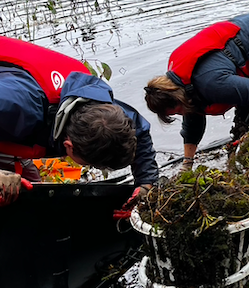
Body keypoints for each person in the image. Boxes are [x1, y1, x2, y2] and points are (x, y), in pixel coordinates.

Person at [0, 36, 158, 207]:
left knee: (31, 195)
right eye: (88, 163)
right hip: (11, 103)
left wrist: (146, 184)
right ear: (69, 145)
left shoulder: (98, 108)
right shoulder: (13, 106)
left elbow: (139, 131)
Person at [144, 12, 249, 171]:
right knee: (244, 125)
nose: (181, 114)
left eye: (177, 112)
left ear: (177, 97)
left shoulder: (210, 82)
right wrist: (187, 164)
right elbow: (192, 123)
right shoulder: (182, 86)